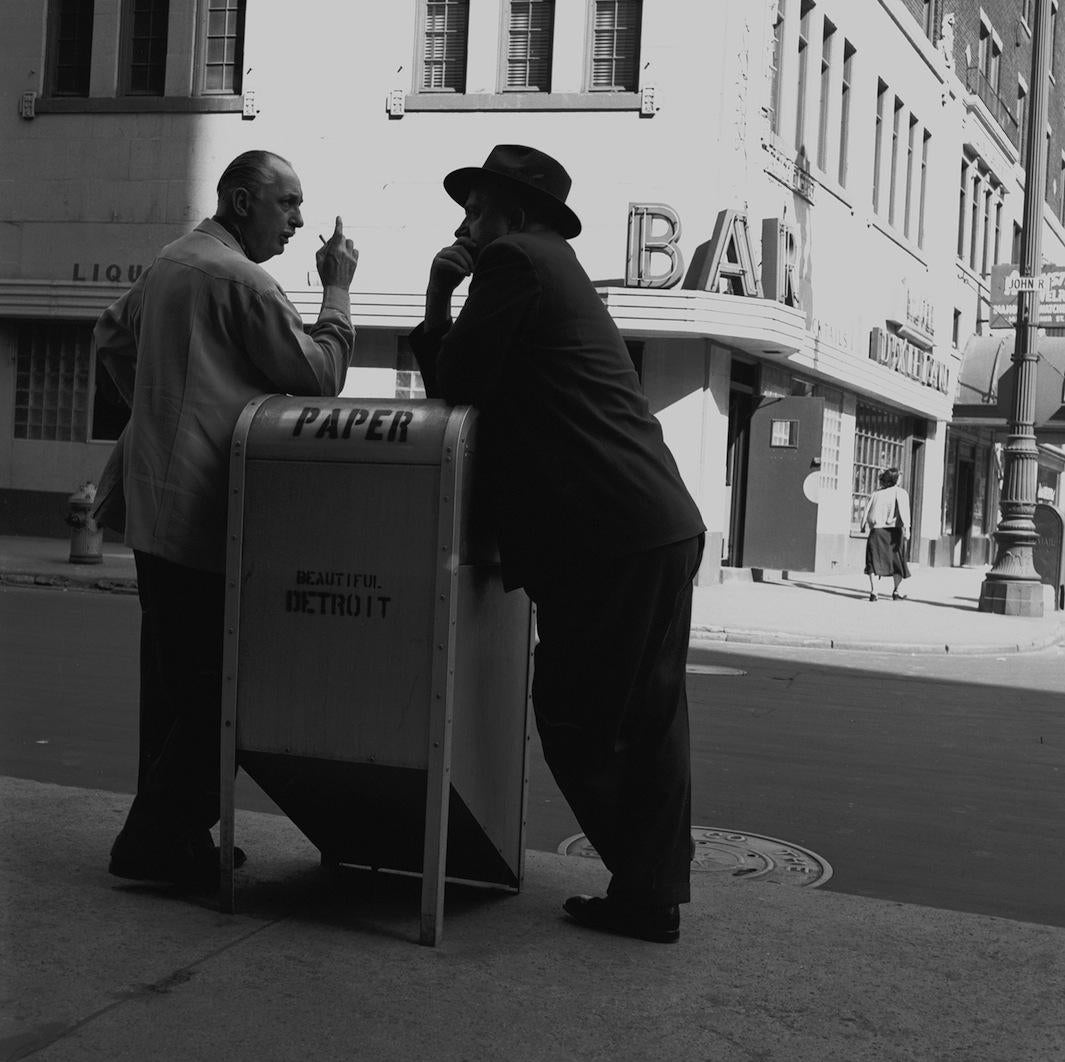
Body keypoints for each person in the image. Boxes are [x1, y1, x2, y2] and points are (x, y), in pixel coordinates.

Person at [409, 145, 706, 944]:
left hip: (607, 532)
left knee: (576, 717)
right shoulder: (552, 263)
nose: (463, 222)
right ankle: (650, 892)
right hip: (650, 523)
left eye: (475, 207)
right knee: (648, 720)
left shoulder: (513, 258)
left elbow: (458, 384)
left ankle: (645, 890)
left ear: (511, 212)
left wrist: (440, 290)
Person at [95, 149, 359, 887]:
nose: (300, 221)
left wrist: (156, 412)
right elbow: (320, 376)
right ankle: (152, 838)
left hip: (156, 509)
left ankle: (181, 837)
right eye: (288, 204)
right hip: (209, 514)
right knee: (220, 691)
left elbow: (111, 339)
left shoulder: (171, 261)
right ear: (242, 202)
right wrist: (336, 292)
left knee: (173, 686)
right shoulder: (243, 282)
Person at [860, 467, 912, 601]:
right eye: (899, 476)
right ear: (895, 479)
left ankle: (874, 592)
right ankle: (896, 591)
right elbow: (905, 512)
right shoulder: (900, 493)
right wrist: (907, 529)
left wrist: (862, 526)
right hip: (893, 532)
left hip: (876, 531)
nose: (900, 478)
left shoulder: (876, 493)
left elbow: (867, 510)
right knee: (897, 562)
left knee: (873, 561)